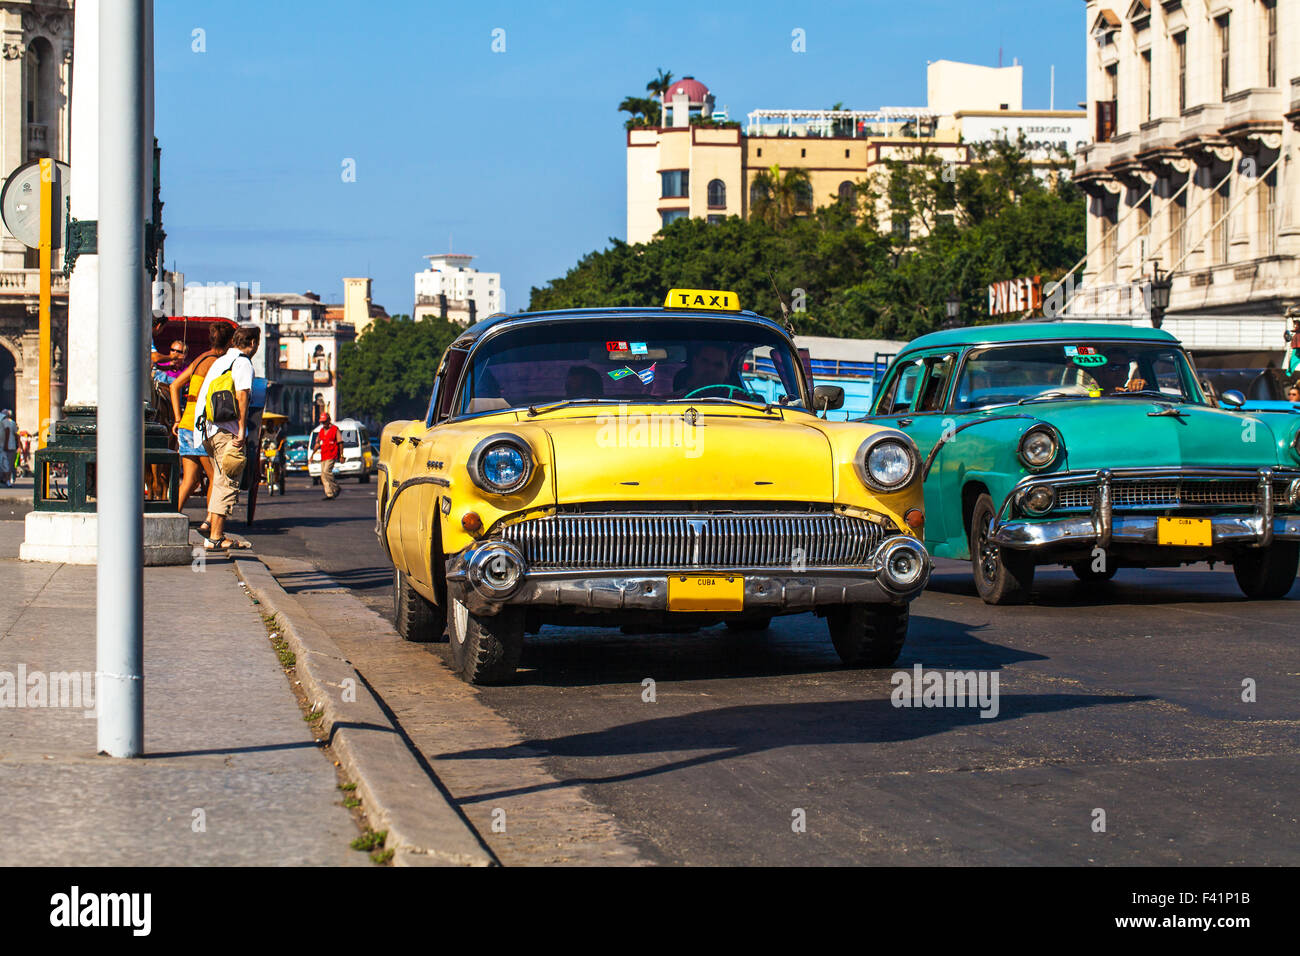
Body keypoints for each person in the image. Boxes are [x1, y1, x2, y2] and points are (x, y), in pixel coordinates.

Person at [195, 326, 260, 551]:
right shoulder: (242, 363)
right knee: (228, 482)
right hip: (227, 432)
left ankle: (213, 530)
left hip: (208, 431)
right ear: (252, 343)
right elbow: (242, 395)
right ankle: (215, 537)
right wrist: (241, 429)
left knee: (220, 480)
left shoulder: (220, 361)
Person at [170, 322, 236, 521]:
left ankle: (171, 516)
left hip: (186, 424)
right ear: (231, 341)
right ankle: (210, 522)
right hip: (202, 427)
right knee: (216, 477)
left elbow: (174, 386)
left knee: (190, 479)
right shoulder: (219, 363)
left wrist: (177, 418)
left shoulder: (200, 359)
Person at [314, 412, 342, 500]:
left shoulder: (335, 429)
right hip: (324, 455)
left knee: (326, 472)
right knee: (323, 475)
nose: (323, 424)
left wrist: (341, 455)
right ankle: (329, 493)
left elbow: (340, 442)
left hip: (332, 455)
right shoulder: (321, 431)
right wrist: (312, 455)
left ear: (329, 420)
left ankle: (336, 487)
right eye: (322, 422)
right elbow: (318, 443)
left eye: (325, 422)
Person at [0, 409, 17, 488]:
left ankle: (7, 480)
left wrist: (6, 444)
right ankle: (6, 480)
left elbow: (9, 431)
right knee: (6, 464)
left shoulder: (6, 421)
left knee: (7, 464)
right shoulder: (10, 422)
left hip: (7, 446)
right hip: (5, 445)